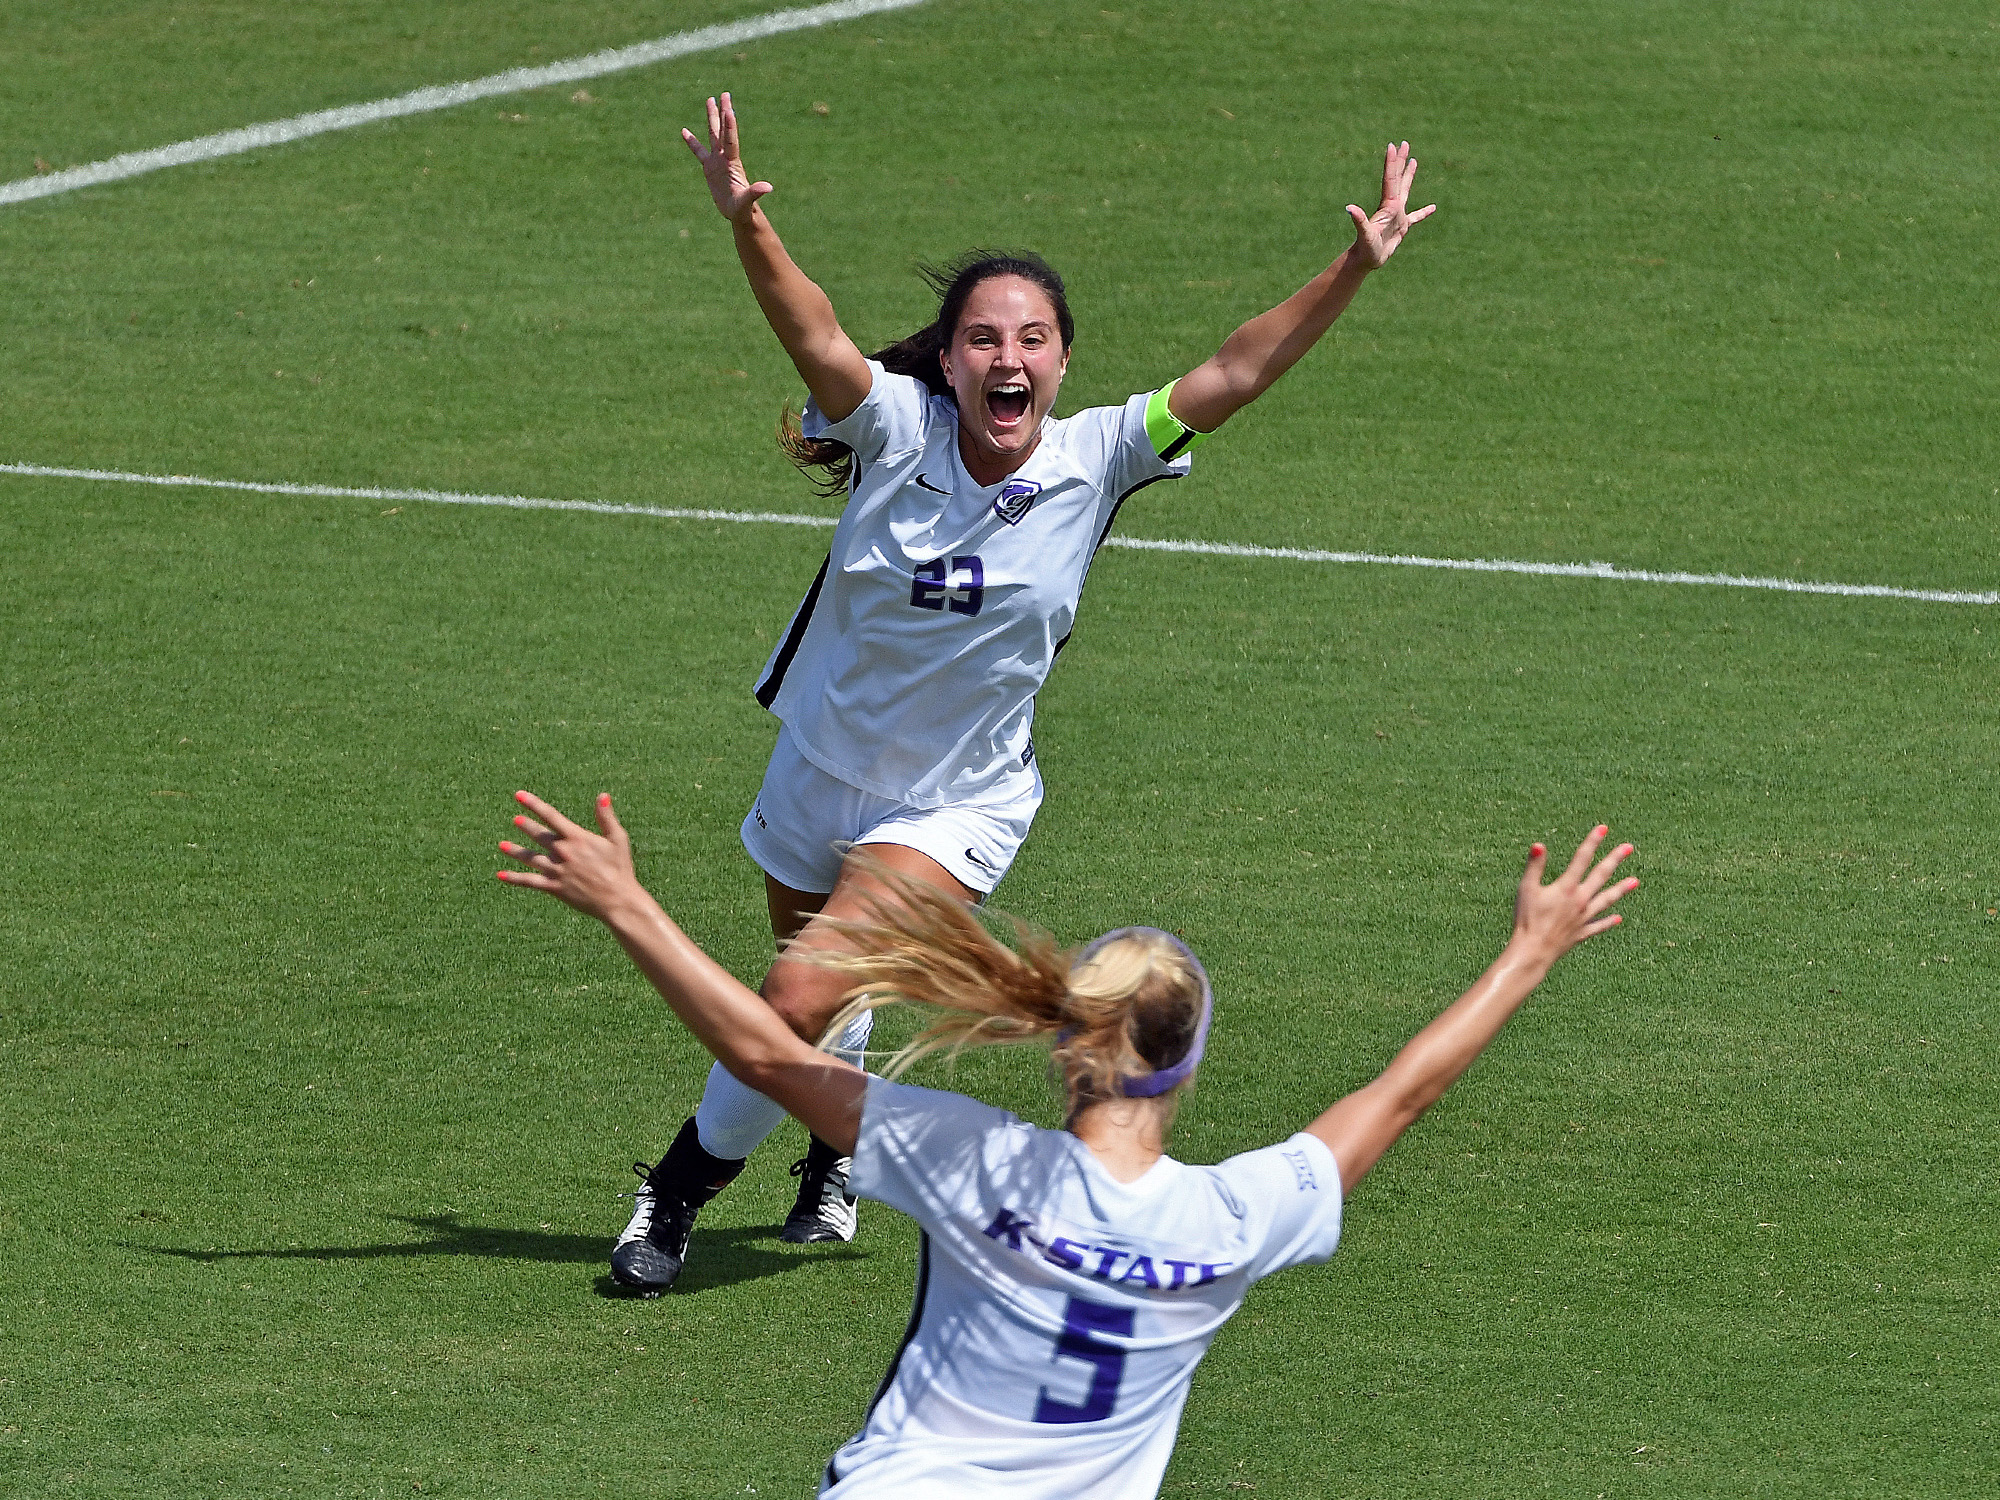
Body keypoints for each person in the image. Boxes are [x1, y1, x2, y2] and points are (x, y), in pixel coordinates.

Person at [617, 91, 1439, 1296]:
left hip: (954, 799)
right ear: (948, 361)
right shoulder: (892, 427)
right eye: (985, 340)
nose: (1010, 359)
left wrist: (1349, 269)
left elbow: (1235, 367)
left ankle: (675, 1191)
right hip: (816, 764)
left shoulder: (1099, 454)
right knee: (809, 1000)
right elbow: (817, 337)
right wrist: (748, 223)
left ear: (1060, 360)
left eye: (1033, 339)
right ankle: (831, 1160)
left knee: (790, 996)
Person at [500, 790, 1636, 1494]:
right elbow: (1398, 1095)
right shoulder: (1233, 1221)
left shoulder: (979, 1163)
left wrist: (627, 906)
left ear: (1062, 1048)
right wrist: (1530, 951)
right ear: (1187, 1066)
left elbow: (763, 1054)